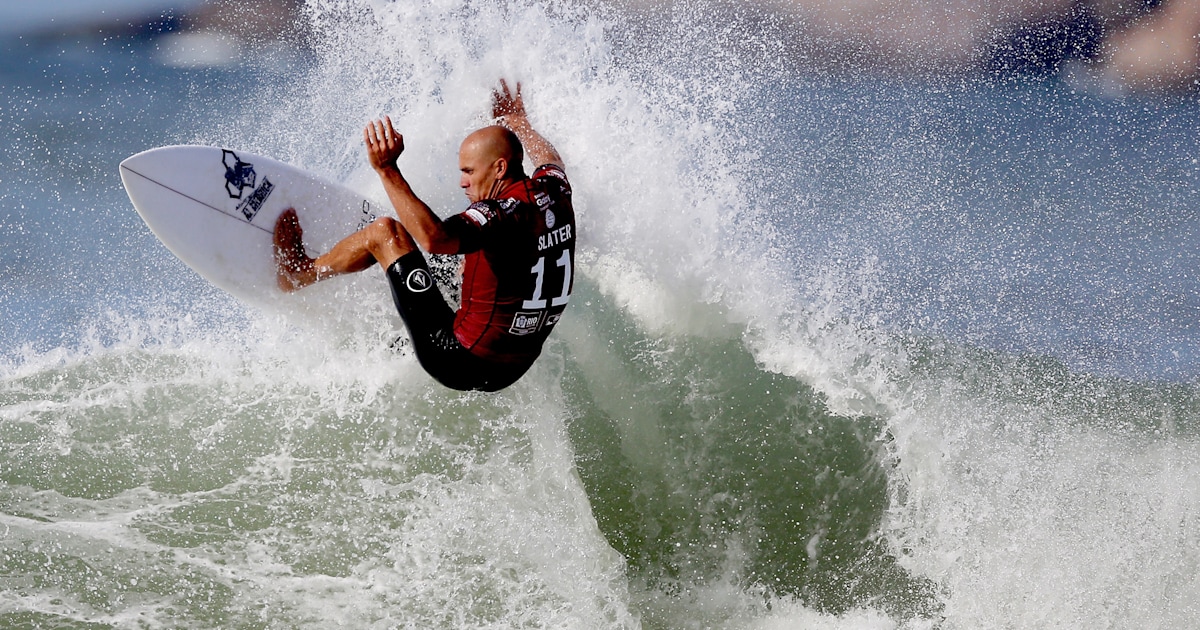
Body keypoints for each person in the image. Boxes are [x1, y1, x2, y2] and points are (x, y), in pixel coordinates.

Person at [273, 80, 575, 392]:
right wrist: (517, 122)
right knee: (461, 265)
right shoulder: (555, 189)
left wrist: (387, 170)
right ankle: (403, 305)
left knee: (384, 233)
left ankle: (299, 272)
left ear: (500, 168)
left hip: (458, 359)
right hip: (514, 367)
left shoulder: (500, 214)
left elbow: (436, 240)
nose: (462, 183)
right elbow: (551, 161)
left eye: (469, 172)